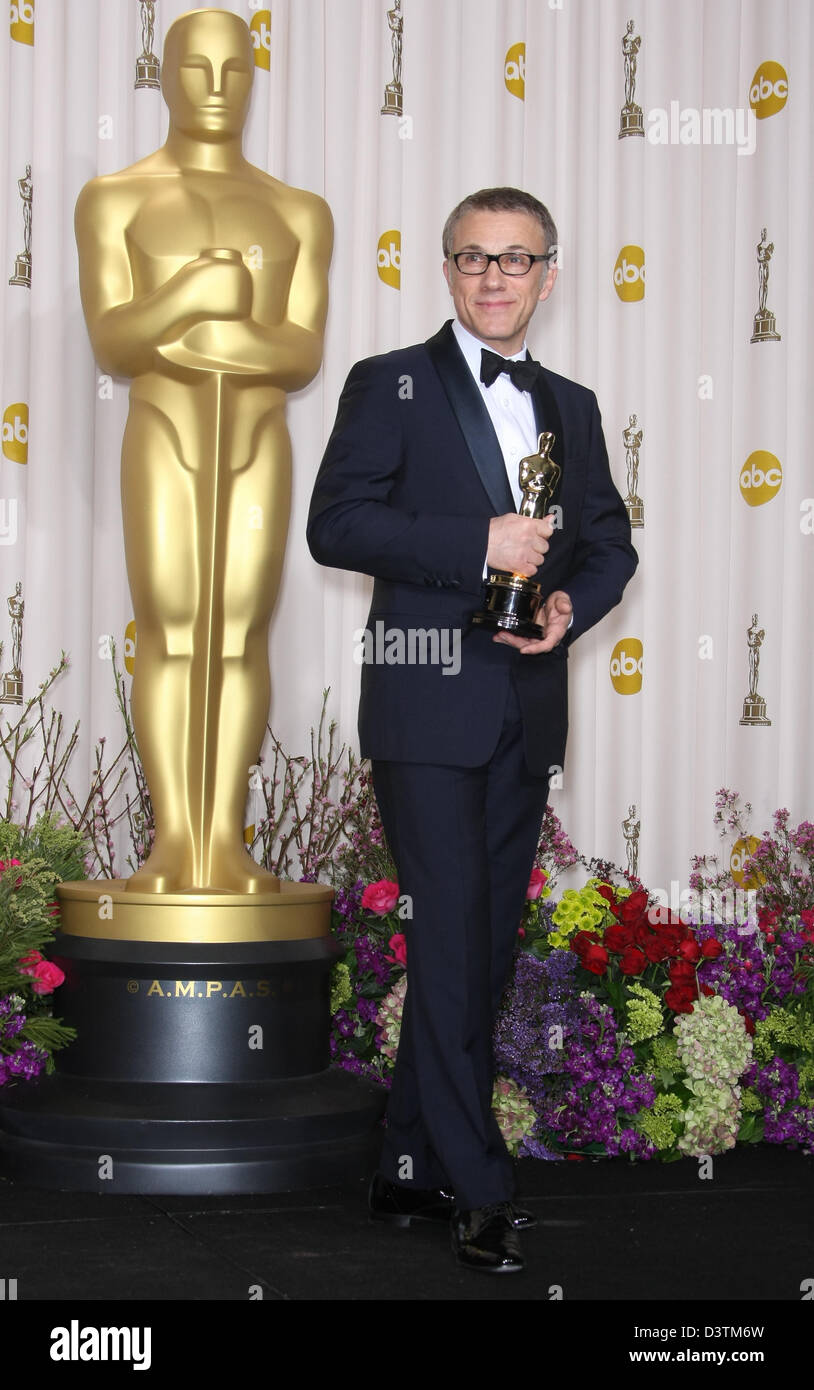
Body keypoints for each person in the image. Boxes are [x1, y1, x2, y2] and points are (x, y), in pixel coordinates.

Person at [308, 187, 637, 1273]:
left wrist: (562, 608)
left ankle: (405, 1164)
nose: (494, 278)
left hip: (525, 709)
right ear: (446, 273)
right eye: (472, 259)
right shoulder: (388, 384)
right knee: (451, 937)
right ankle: (477, 1183)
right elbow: (335, 524)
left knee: (482, 946)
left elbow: (608, 548)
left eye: (516, 259)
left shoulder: (575, 406)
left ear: (549, 274)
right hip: (423, 702)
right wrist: (477, 542)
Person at [75, 8, 331, 893]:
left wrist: (196, 342)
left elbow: (299, 353)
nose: (217, 89)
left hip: (257, 437)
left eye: (235, 71)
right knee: (172, 633)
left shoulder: (298, 211)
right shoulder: (116, 197)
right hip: (166, 434)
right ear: (165, 73)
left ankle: (223, 841)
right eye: (197, 69)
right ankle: (172, 845)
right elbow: (114, 341)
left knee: (241, 636)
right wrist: (193, 291)